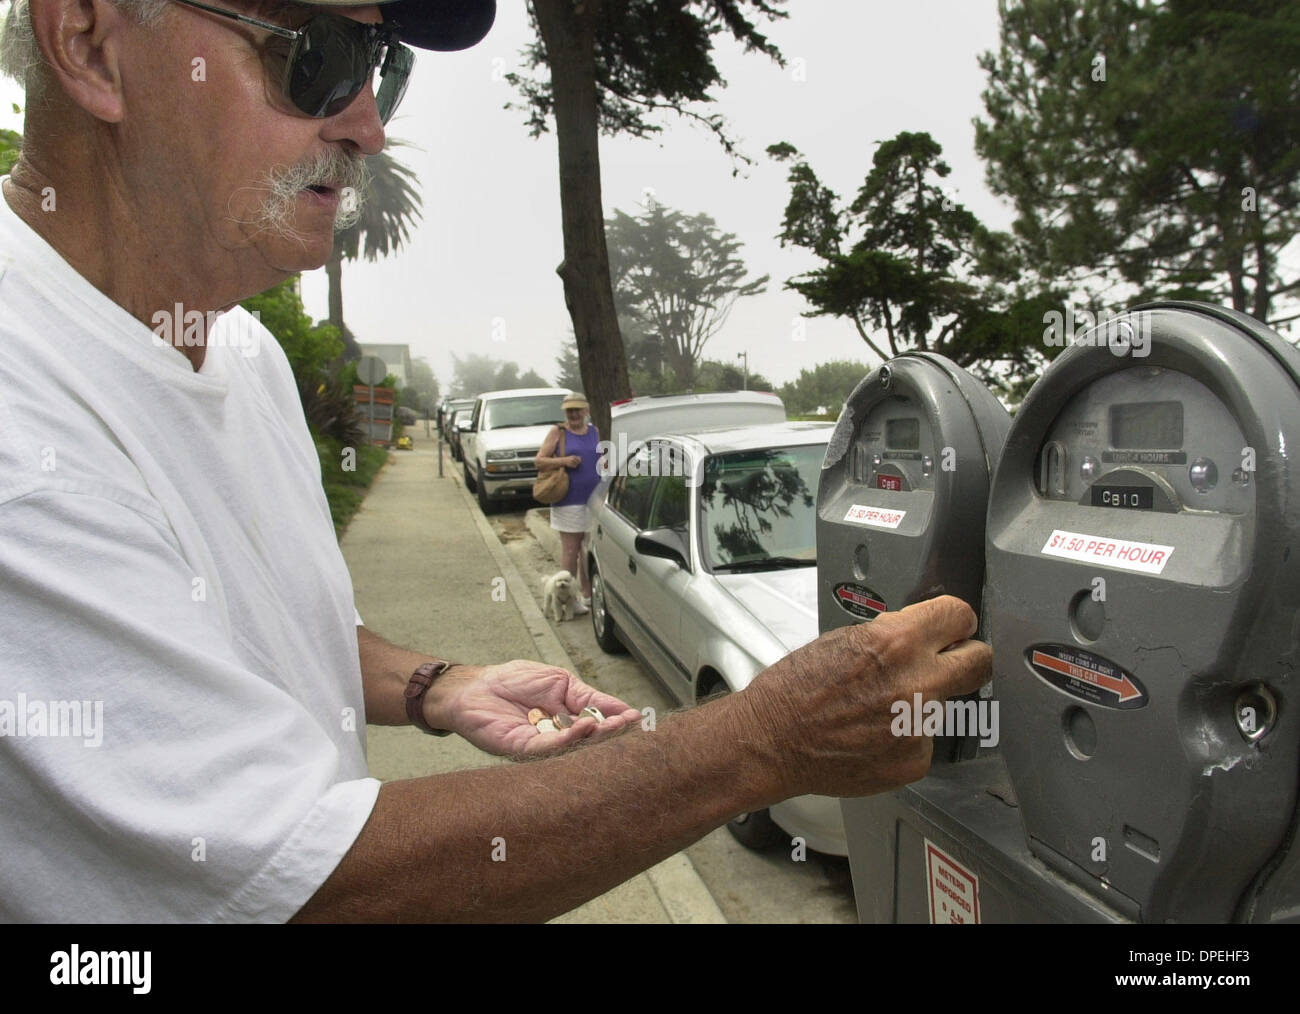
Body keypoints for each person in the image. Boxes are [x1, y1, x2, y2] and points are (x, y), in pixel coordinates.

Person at [0, 0, 990, 922]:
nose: (366, 127)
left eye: (379, 66)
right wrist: (761, 743)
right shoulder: (23, 428)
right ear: (89, 43)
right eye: (319, 59)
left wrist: (436, 684)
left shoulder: (240, 347)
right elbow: (306, 889)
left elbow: (246, 634)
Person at [534, 392, 600, 613]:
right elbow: (539, 461)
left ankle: (588, 594)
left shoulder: (595, 431)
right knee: (571, 550)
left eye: (577, 410)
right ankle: (569, 599)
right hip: (568, 499)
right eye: (570, 410)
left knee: (588, 549)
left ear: (586, 411)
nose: (574, 414)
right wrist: (564, 461)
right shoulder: (558, 432)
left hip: (593, 500)